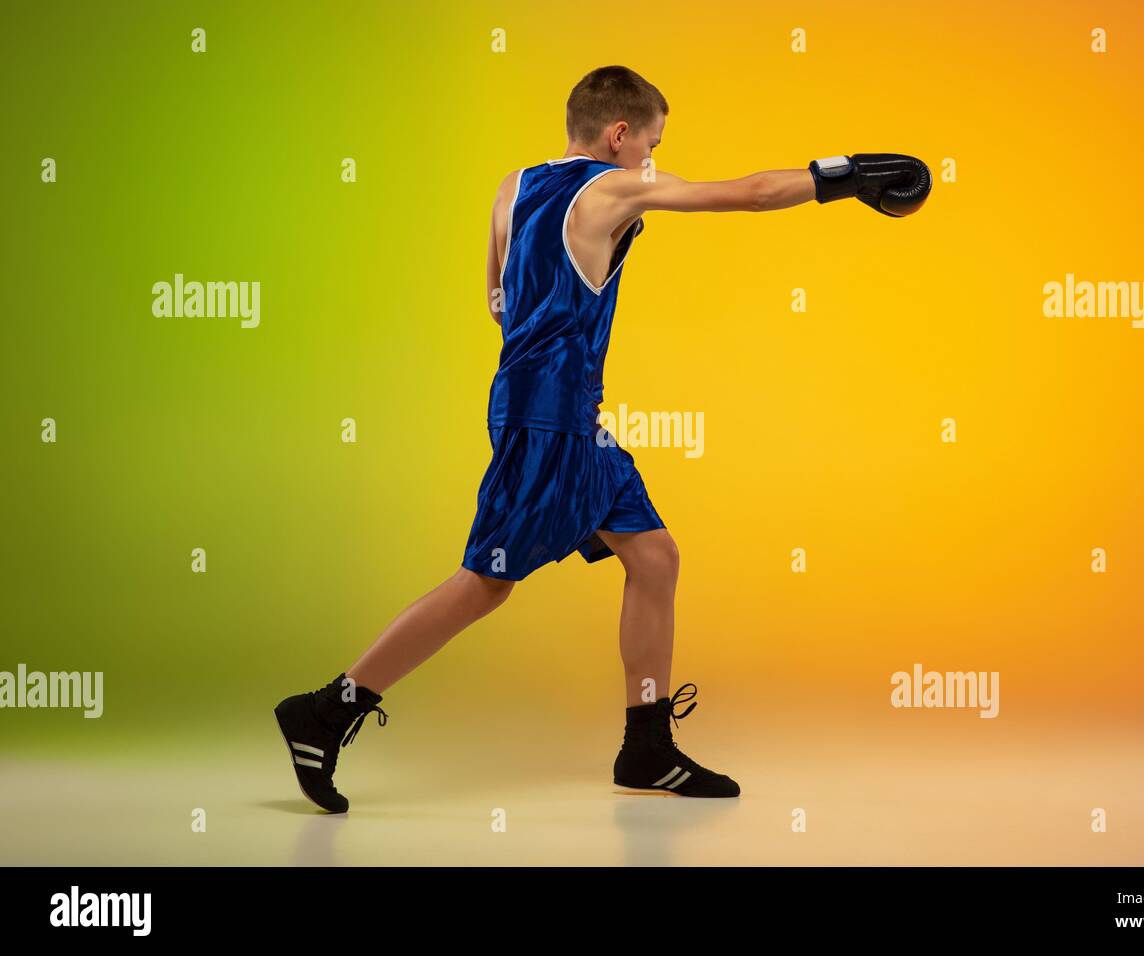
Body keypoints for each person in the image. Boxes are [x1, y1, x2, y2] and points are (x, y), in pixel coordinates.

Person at [275, 65, 931, 812]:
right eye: (650, 144)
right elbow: (746, 194)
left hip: (554, 412)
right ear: (619, 135)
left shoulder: (513, 186)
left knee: (653, 556)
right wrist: (842, 178)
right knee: (485, 583)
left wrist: (554, 335)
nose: (652, 159)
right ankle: (327, 710)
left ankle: (646, 747)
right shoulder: (613, 188)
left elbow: (496, 301)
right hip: (547, 421)